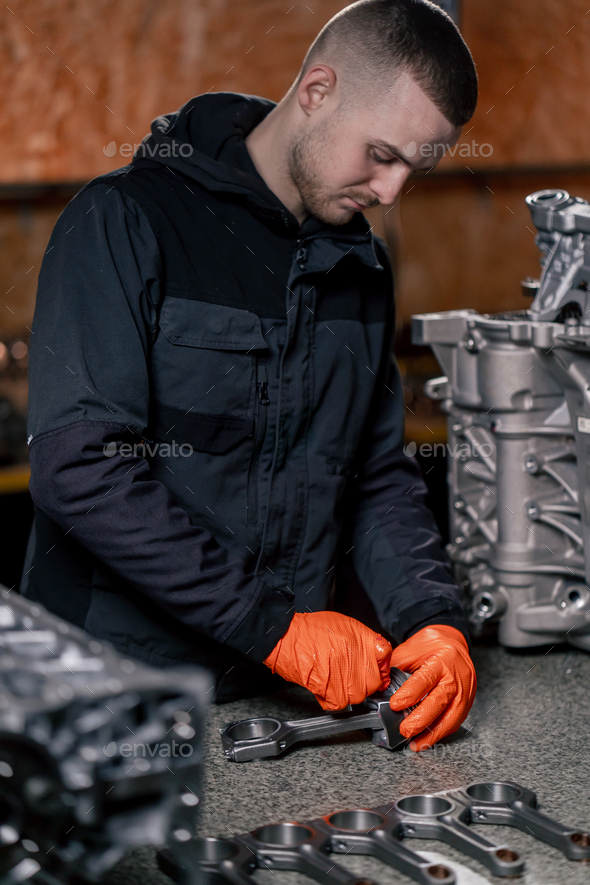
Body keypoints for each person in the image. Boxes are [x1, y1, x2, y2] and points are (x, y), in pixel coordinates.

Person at [21, 0, 477, 751]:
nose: (391, 193)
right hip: (109, 698)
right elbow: (80, 470)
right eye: (381, 154)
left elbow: (374, 475)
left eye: (413, 170)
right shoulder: (126, 221)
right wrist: (275, 629)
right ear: (318, 90)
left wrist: (431, 618)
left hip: (273, 708)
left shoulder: (357, 268)